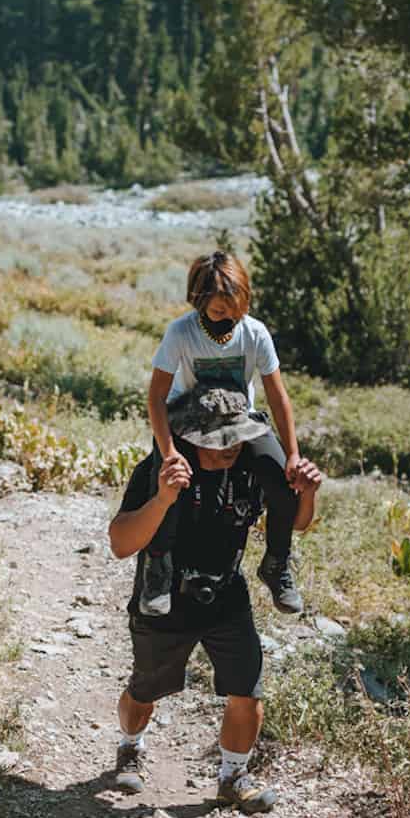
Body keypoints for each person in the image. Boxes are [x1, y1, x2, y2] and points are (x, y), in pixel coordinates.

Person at [109, 386, 323, 815]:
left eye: (235, 439)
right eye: (217, 441)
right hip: (167, 595)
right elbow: (120, 543)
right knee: (146, 689)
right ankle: (131, 745)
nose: (228, 449)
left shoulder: (253, 470)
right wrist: (163, 499)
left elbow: (297, 524)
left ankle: (233, 777)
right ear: (191, 436)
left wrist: (309, 493)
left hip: (227, 592)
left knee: (247, 689)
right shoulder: (160, 470)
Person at [140, 250, 305, 619]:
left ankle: (276, 563)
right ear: (199, 300)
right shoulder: (181, 333)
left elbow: (277, 396)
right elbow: (156, 398)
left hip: (238, 421)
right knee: (166, 482)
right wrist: (169, 452)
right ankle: (159, 568)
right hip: (190, 420)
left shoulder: (254, 333)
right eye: (218, 311)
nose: (228, 317)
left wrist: (293, 453)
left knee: (283, 481)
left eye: (235, 310)